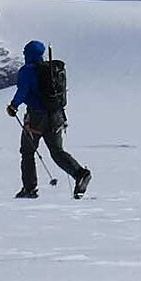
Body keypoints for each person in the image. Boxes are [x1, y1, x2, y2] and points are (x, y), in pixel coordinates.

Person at [6, 40, 92, 200]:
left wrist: (13, 106)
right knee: (57, 151)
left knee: (27, 151)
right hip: (57, 116)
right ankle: (80, 173)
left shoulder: (28, 71)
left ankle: (29, 188)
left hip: (36, 118)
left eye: (25, 52)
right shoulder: (51, 70)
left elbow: (23, 91)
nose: (24, 55)